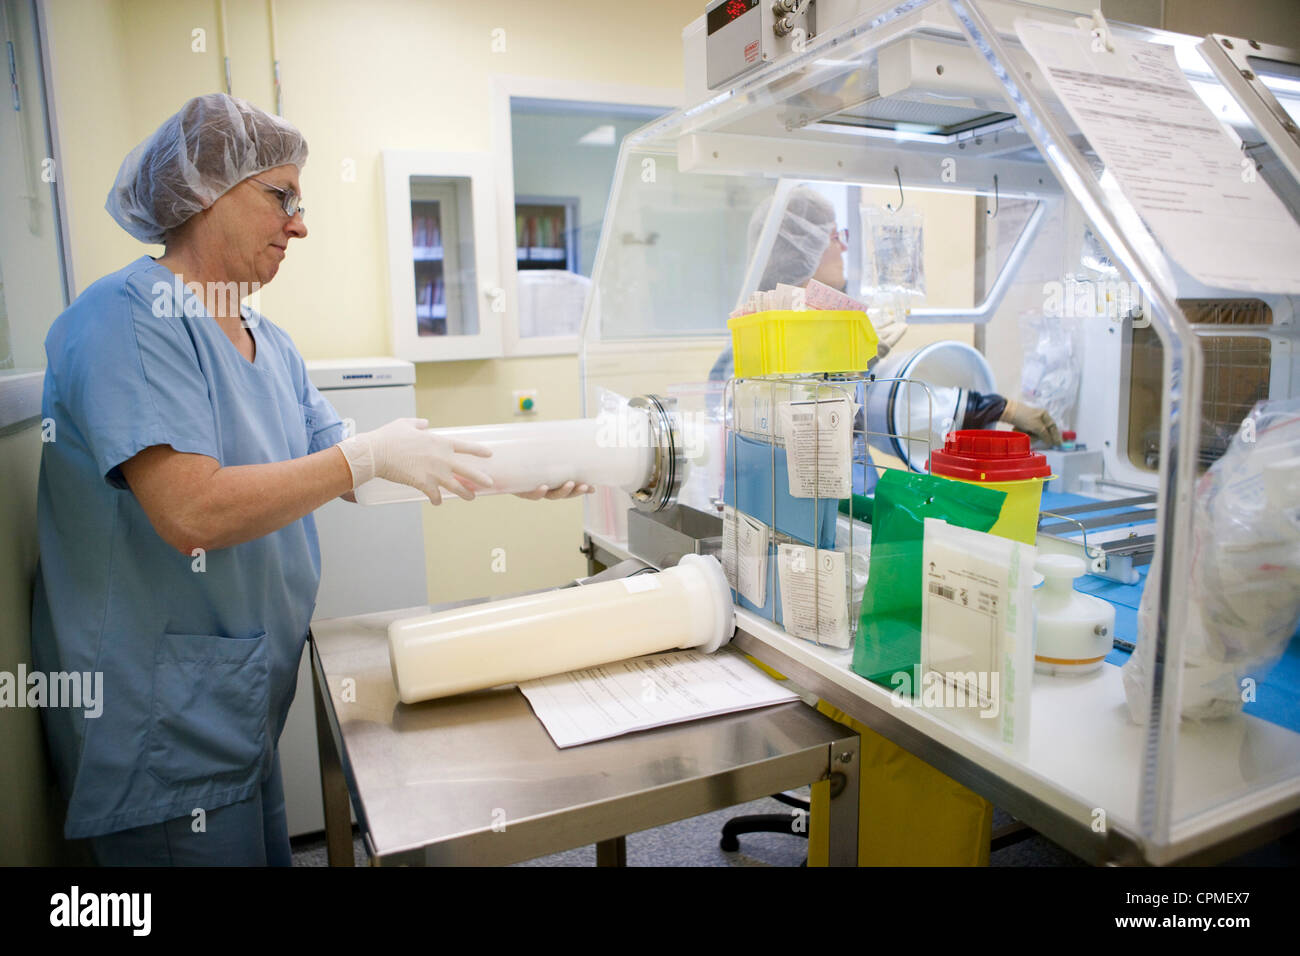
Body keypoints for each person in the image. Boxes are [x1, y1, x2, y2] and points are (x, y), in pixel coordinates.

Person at [31, 93, 584, 866]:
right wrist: (360, 460)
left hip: (238, 703)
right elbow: (190, 510)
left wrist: (518, 471)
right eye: (281, 197)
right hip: (156, 723)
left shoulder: (270, 342)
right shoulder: (127, 320)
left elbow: (366, 462)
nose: (300, 223)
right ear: (203, 192)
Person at [710, 185, 1062, 450]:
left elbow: (886, 408)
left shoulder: (826, 325)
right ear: (804, 246)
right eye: (836, 236)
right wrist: (842, 370)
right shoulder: (749, 343)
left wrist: (1001, 409)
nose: (844, 246)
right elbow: (753, 429)